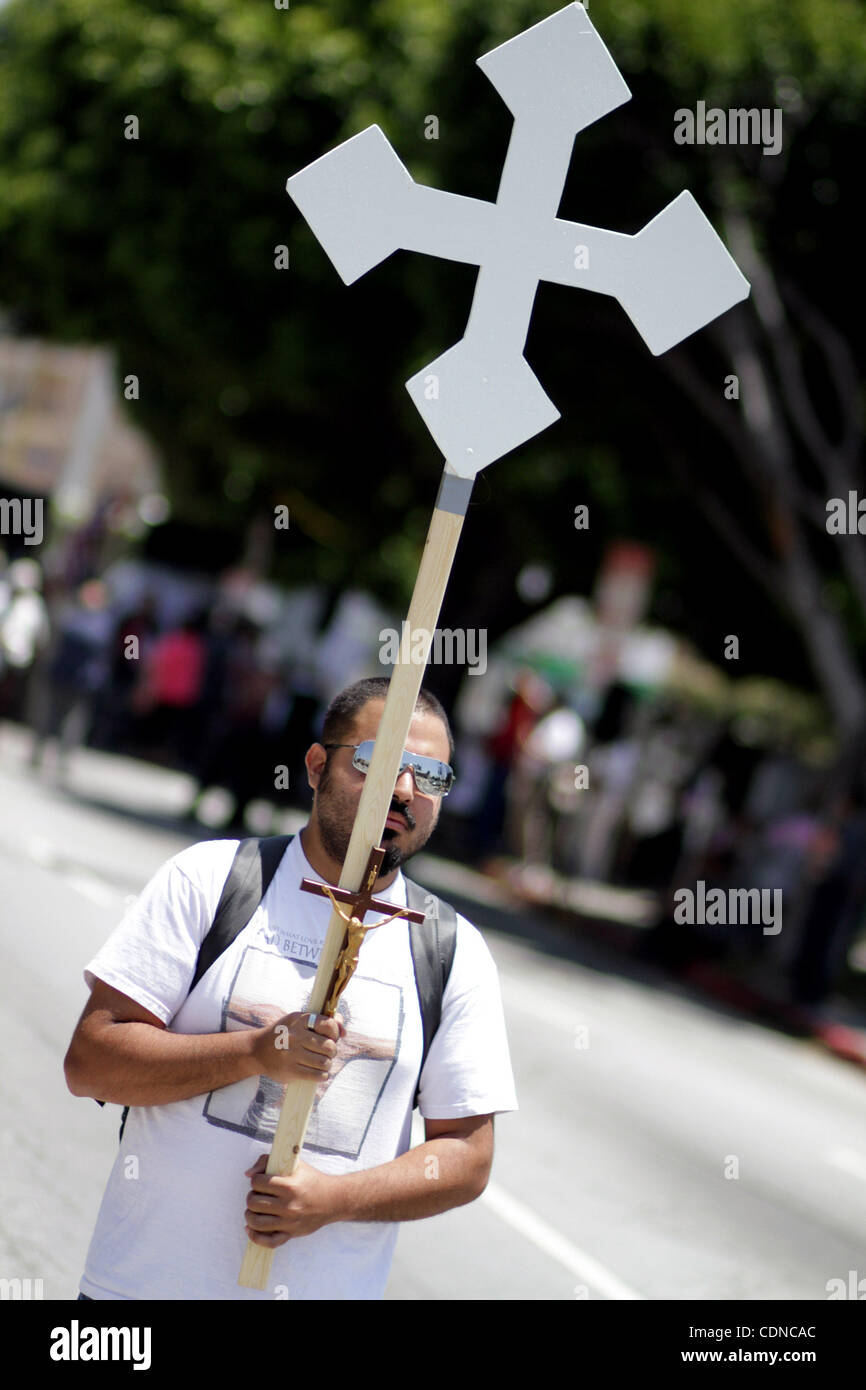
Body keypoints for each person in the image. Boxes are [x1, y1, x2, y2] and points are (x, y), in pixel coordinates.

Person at [64, 677, 518, 1300]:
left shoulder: (454, 952)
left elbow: (466, 1158)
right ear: (315, 766)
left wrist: (332, 1200)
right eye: (376, 761)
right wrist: (253, 1053)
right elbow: (92, 1064)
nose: (404, 789)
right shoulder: (212, 880)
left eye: (431, 776)